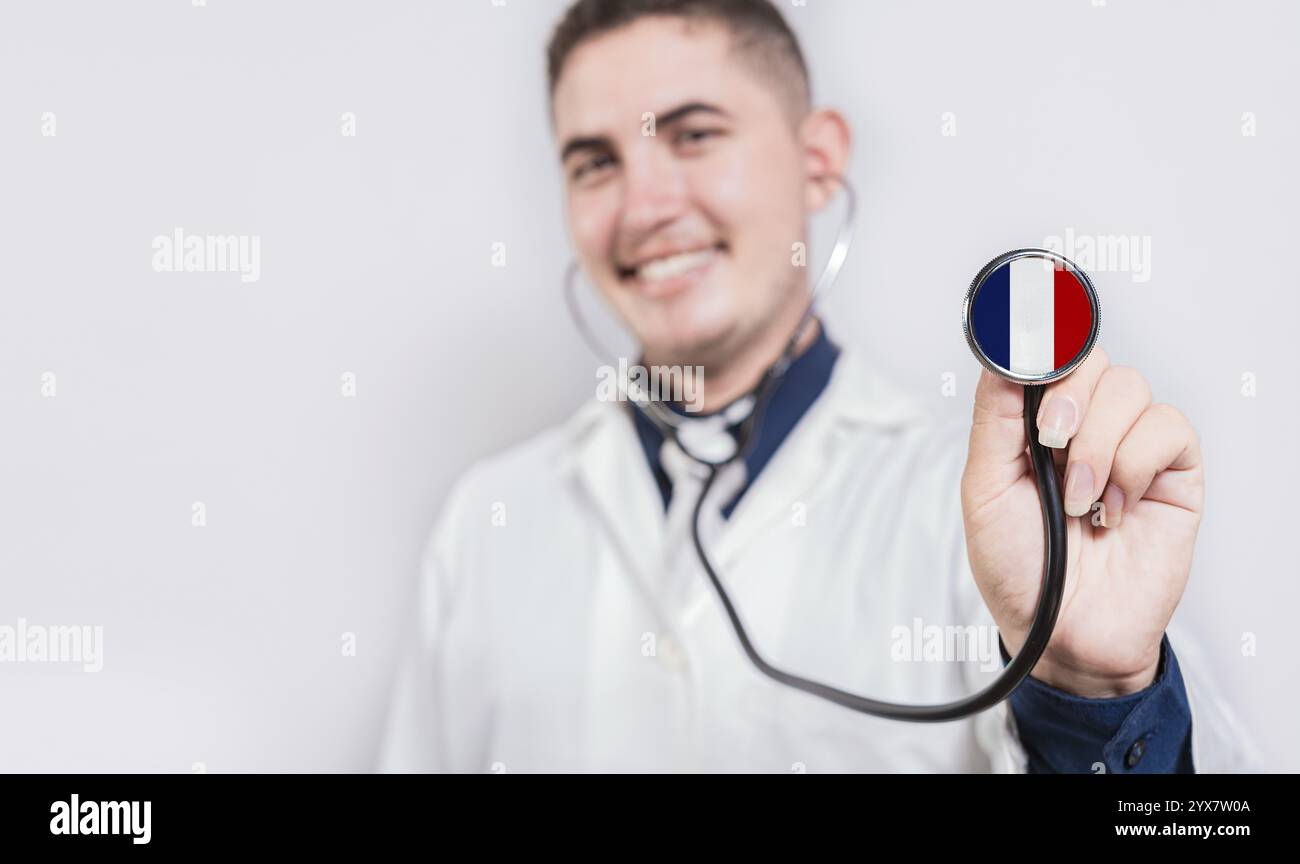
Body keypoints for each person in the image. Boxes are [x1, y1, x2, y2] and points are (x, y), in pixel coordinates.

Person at [380, 0, 1256, 772]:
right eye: (594, 163)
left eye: (692, 135)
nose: (643, 205)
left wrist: (1091, 692)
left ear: (818, 160)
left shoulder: (1013, 511)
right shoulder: (488, 522)